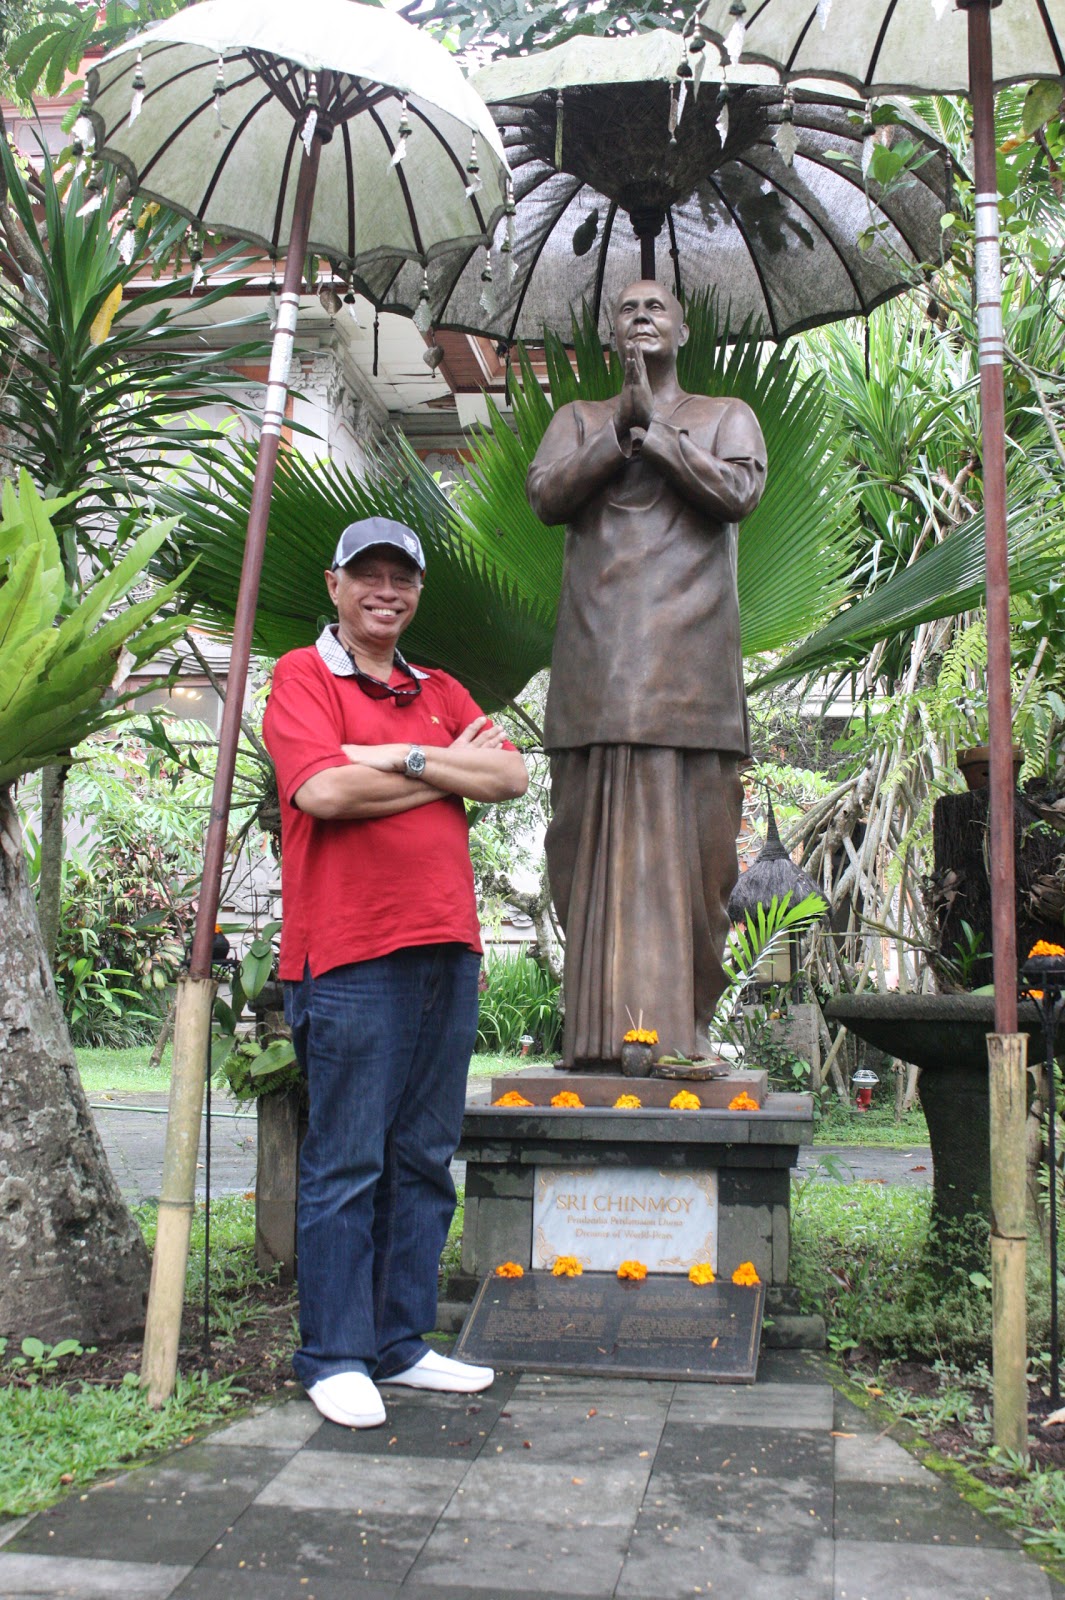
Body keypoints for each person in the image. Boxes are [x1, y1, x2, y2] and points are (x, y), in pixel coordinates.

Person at [263, 516, 529, 1429]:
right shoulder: (302, 676)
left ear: (417, 592)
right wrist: (444, 768)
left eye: (401, 577)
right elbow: (323, 791)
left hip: (444, 951)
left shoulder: (439, 686)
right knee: (347, 1160)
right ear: (334, 586)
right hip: (345, 956)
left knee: (422, 1156)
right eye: (367, 575)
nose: (386, 590)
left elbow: (511, 777)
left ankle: (400, 1344)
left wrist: (392, 754)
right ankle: (334, 1354)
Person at [526, 280, 767, 1069]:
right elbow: (545, 497)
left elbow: (735, 493)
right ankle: (594, 1039)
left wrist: (656, 432)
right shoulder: (576, 420)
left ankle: (685, 1028)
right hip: (596, 668)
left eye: (656, 305)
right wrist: (614, 433)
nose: (641, 314)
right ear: (609, 330)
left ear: (683, 326)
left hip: (692, 673)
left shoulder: (725, 414)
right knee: (579, 853)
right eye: (626, 306)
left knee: (703, 868)